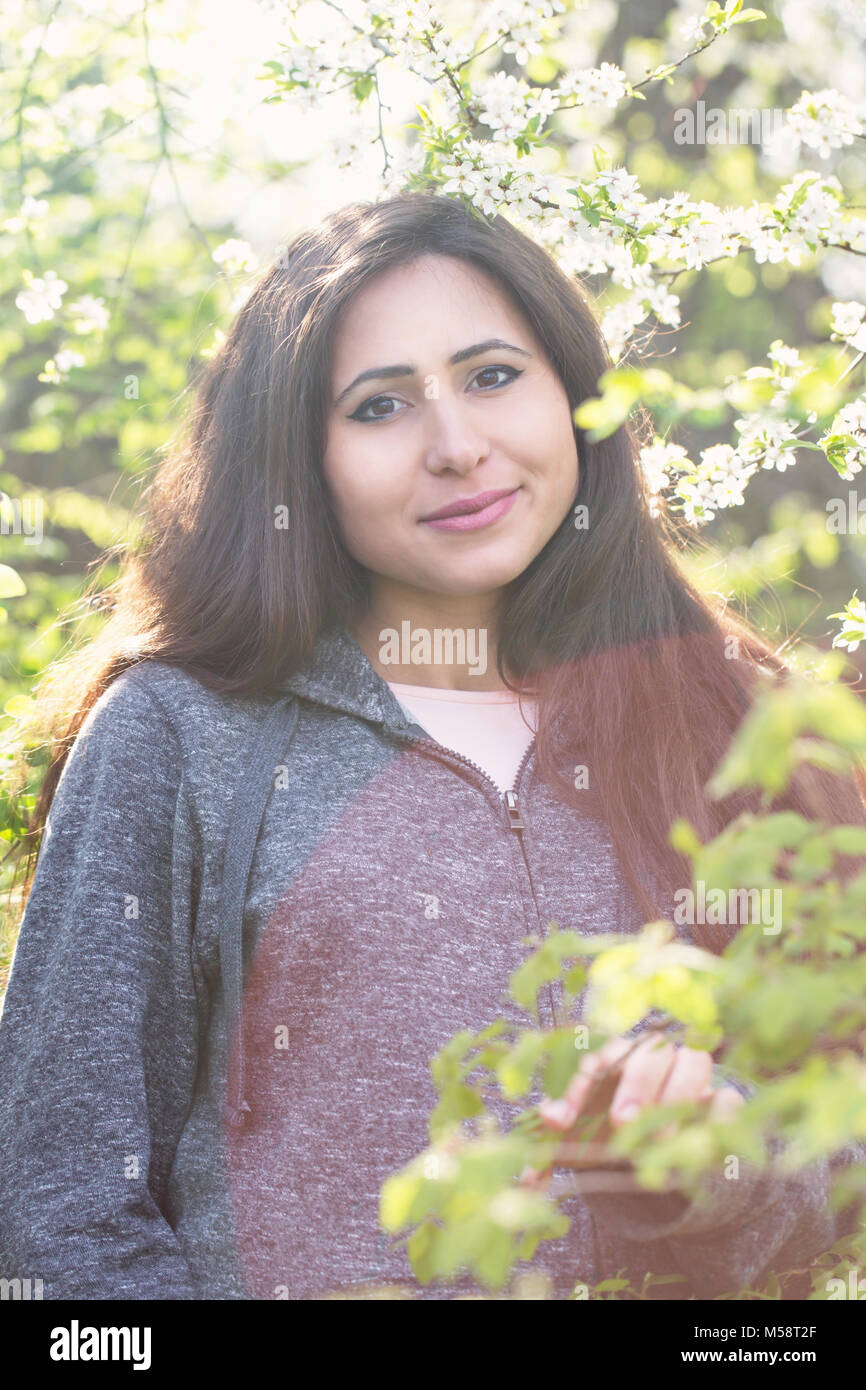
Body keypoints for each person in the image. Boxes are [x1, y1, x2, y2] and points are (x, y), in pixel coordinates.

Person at [0, 190, 862, 1301]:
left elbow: (841, 1156)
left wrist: (714, 1167)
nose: (457, 447)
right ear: (294, 461)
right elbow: (55, 1215)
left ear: (577, 400)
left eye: (493, 376)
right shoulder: (179, 738)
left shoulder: (728, 723)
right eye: (378, 407)